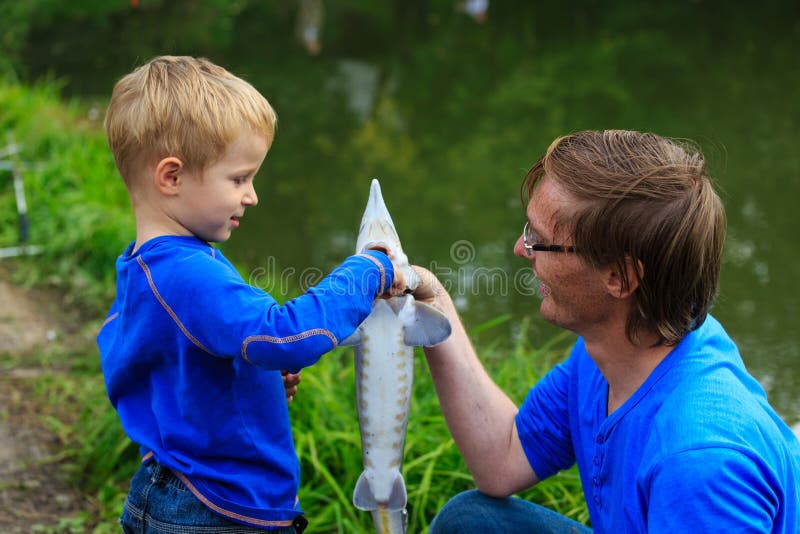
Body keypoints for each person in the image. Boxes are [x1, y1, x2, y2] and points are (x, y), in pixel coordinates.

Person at [412, 130, 800, 532]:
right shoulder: (612, 354)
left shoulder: (698, 463)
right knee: (472, 522)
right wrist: (433, 303)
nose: (520, 249)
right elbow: (502, 459)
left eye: (539, 241)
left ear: (619, 277)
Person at [97, 55, 406, 533]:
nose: (252, 195)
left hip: (176, 491)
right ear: (172, 178)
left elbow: (154, 361)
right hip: (217, 509)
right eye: (239, 179)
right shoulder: (189, 274)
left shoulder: (144, 266)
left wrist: (246, 380)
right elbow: (283, 334)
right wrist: (369, 269)